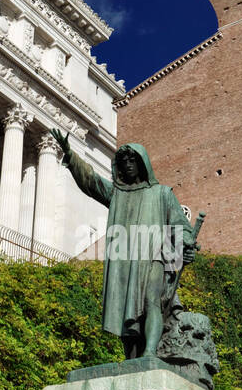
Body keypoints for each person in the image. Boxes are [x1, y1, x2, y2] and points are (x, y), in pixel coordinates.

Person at [51, 129, 196, 359]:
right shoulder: (117, 194)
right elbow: (91, 181)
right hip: (125, 261)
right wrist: (69, 153)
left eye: (132, 160)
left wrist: (185, 246)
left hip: (154, 256)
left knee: (151, 301)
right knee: (123, 311)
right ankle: (131, 359)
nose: (128, 164)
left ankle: (149, 353)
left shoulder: (162, 194)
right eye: (123, 161)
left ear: (142, 163)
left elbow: (181, 228)